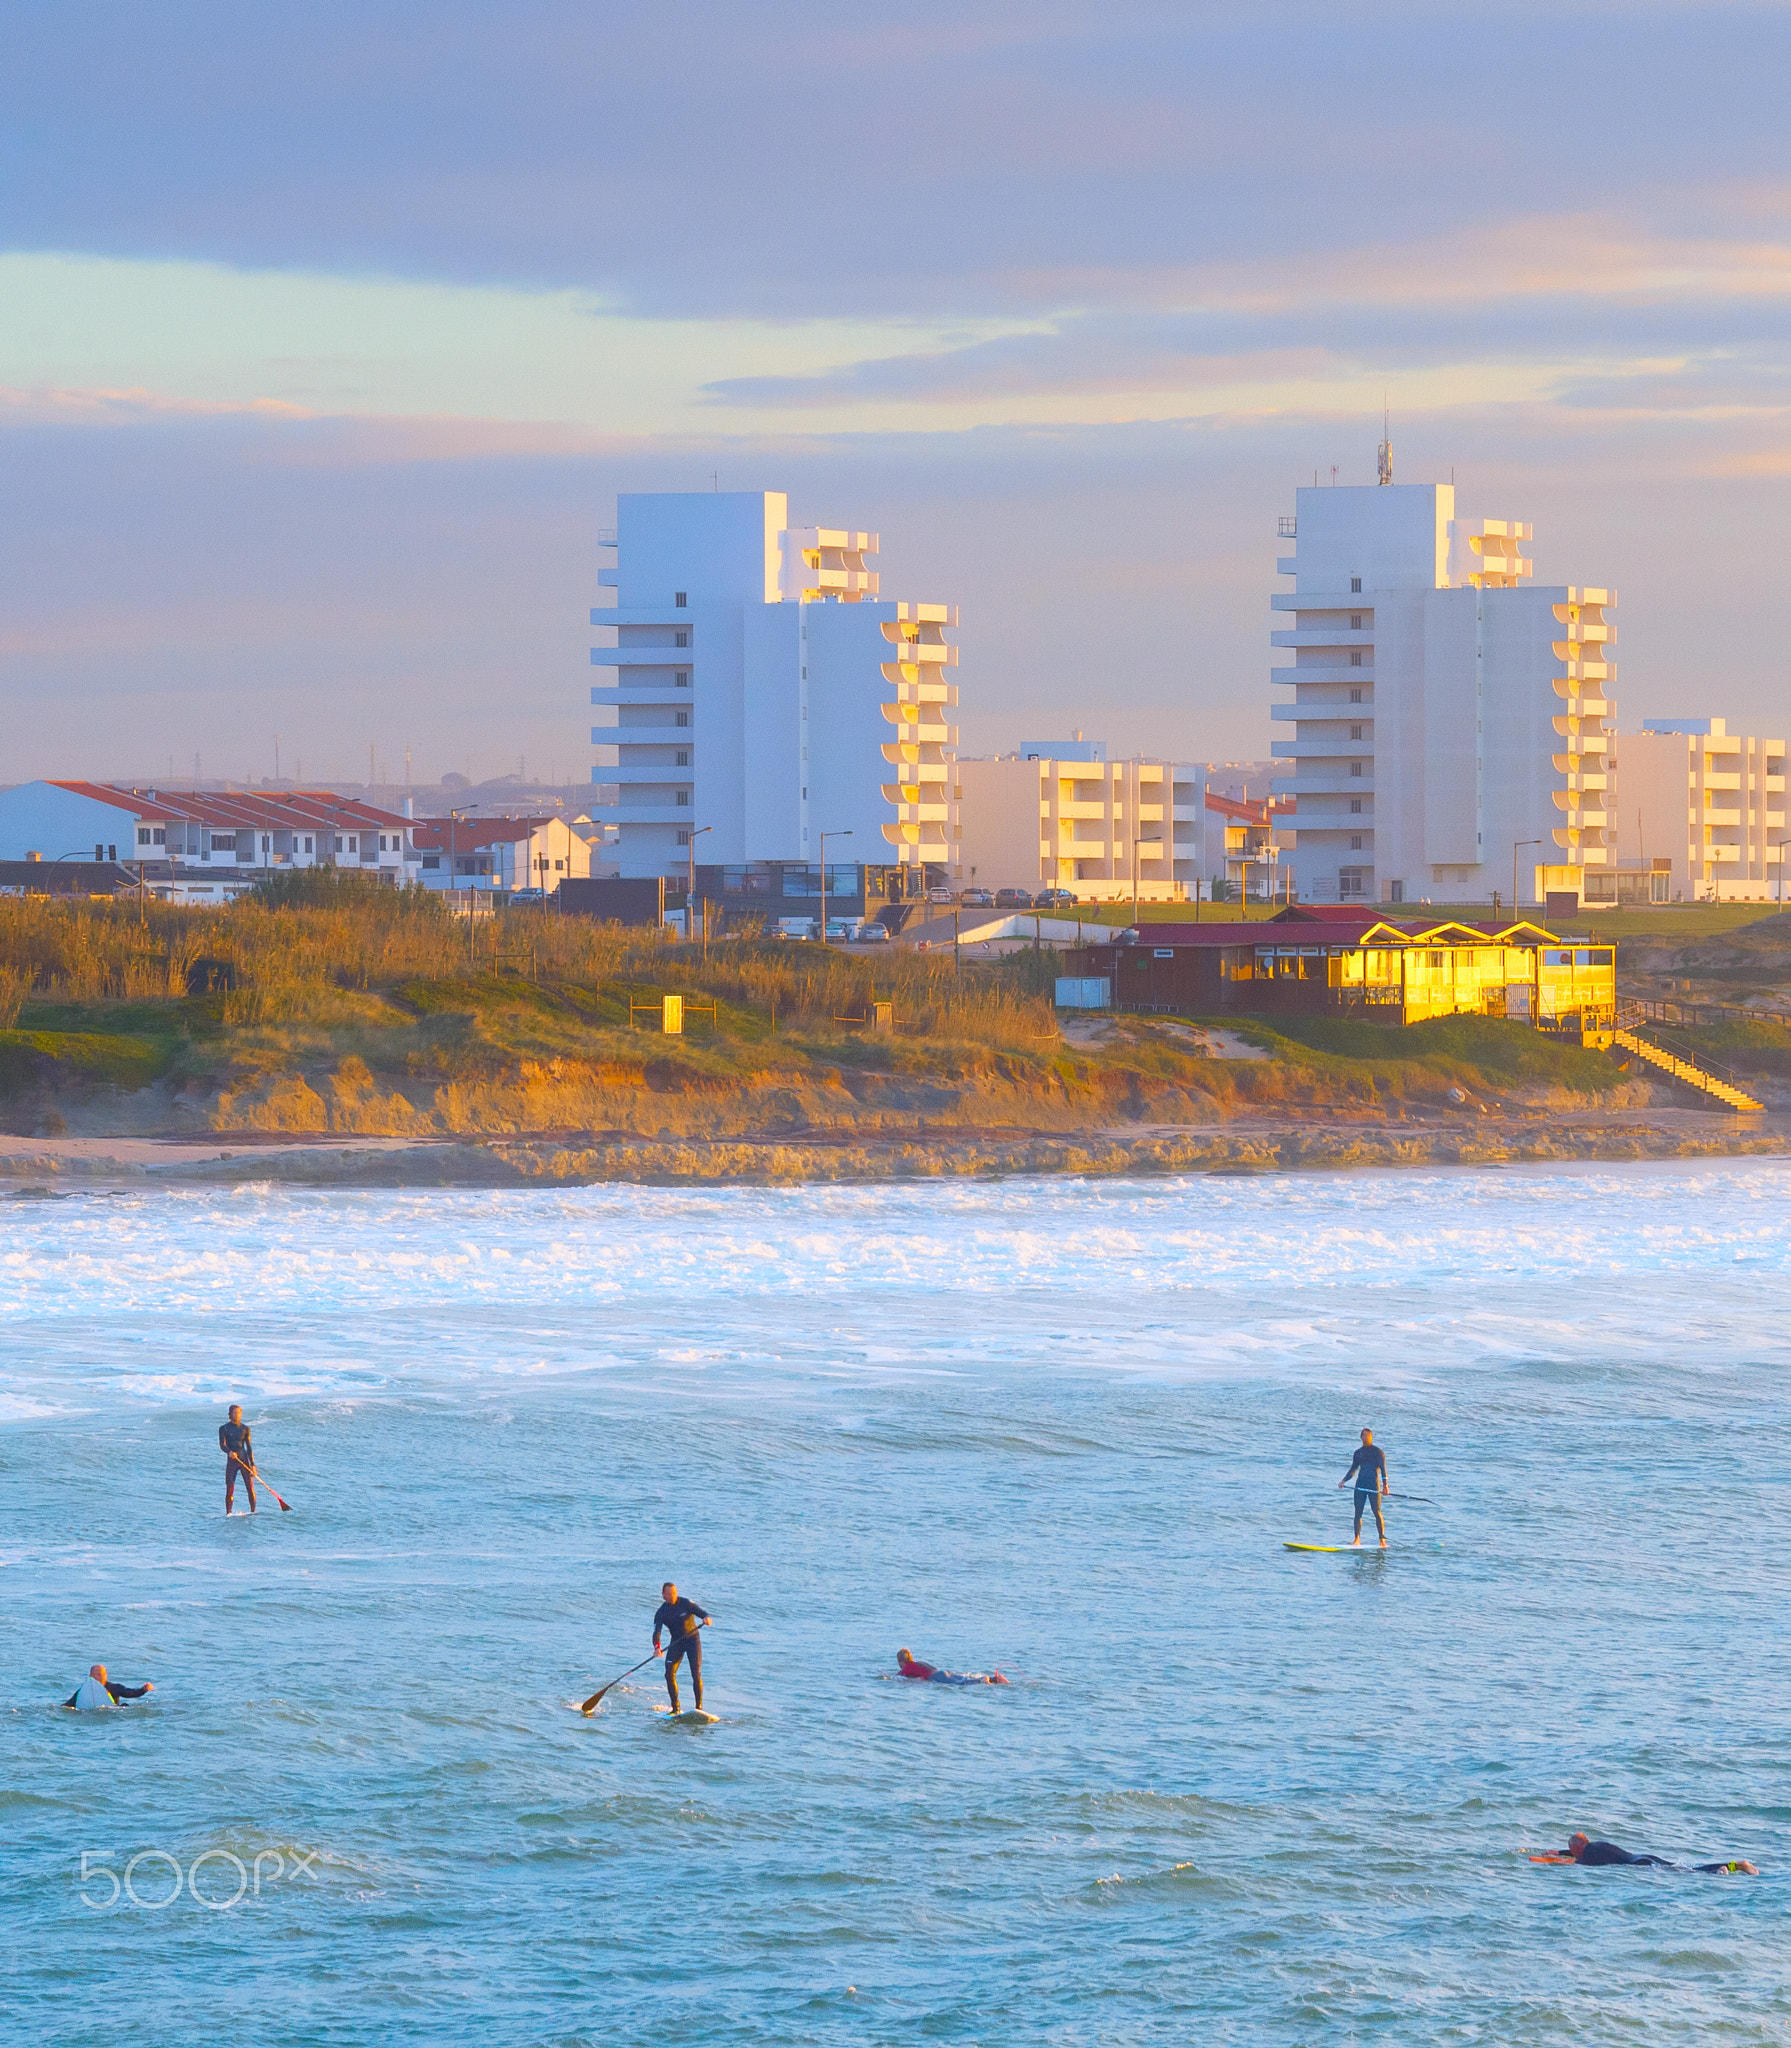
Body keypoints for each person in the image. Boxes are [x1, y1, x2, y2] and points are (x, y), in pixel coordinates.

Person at [1539, 1832, 1758, 1875]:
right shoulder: (1597, 1846)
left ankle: (1723, 1869)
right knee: (1690, 1869)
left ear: (1577, 1848)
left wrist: (1549, 1860)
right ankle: (1736, 1865)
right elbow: (1577, 1853)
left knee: (1690, 1875)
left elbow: (1574, 1862)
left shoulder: (1589, 1855)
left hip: (1642, 1865)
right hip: (1645, 1857)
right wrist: (1560, 1850)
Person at [652, 1582, 711, 1713]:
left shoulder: (685, 1603)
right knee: (669, 1674)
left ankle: (698, 1708)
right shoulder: (661, 1612)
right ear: (663, 1595)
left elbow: (701, 1612)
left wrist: (706, 1618)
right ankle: (675, 1708)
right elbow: (657, 1631)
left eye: (675, 1593)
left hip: (692, 1640)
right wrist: (657, 1647)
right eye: (670, 1594)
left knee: (696, 1674)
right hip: (676, 1642)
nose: (673, 1596)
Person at [1338, 1427, 1388, 1547]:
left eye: (1369, 1436)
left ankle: (1382, 1540)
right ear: (1361, 1437)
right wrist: (1344, 1480)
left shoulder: (1378, 1452)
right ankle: (1357, 1539)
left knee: (1376, 1512)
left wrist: (1385, 1486)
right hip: (1360, 1485)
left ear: (1371, 1437)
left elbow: (1383, 1470)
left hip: (1374, 1486)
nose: (1367, 1438)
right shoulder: (1358, 1453)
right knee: (1358, 1512)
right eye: (1365, 1436)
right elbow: (1353, 1469)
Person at [894, 1648, 1009, 1686]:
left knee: (961, 1684)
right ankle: (996, 1679)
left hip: (936, 1677)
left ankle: (982, 1680)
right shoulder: (919, 1663)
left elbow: (897, 1677)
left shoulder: (905, 1669)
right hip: (943, 1671)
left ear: (901, 1662)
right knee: (963, 1679)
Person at [64, 1663, 154, 1710]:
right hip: (91, 1713)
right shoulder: (83, 1692)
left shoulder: (115, 1687)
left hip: (112, 1712)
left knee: (125, 1706)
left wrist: (143, 1689)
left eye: (103, 1674)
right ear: (90, 1676)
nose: (101, 1676)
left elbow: (131, 1693)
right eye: (98, 1674)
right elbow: (67, 1706)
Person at [219, 1404, 256, 1516]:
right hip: (232, 1461)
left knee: (250, 1487)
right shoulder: (224, 1428)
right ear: (230, 1414)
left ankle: (253, 1511)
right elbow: (222, 1445)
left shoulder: (245, 1429)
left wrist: (253, 1465)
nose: (237, 1415)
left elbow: (249, 1448)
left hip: (243, 1459)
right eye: (235, 1413)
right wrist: (229, 1451)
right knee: (230, 1486)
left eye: (239, 1413)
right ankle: (228, 1513)